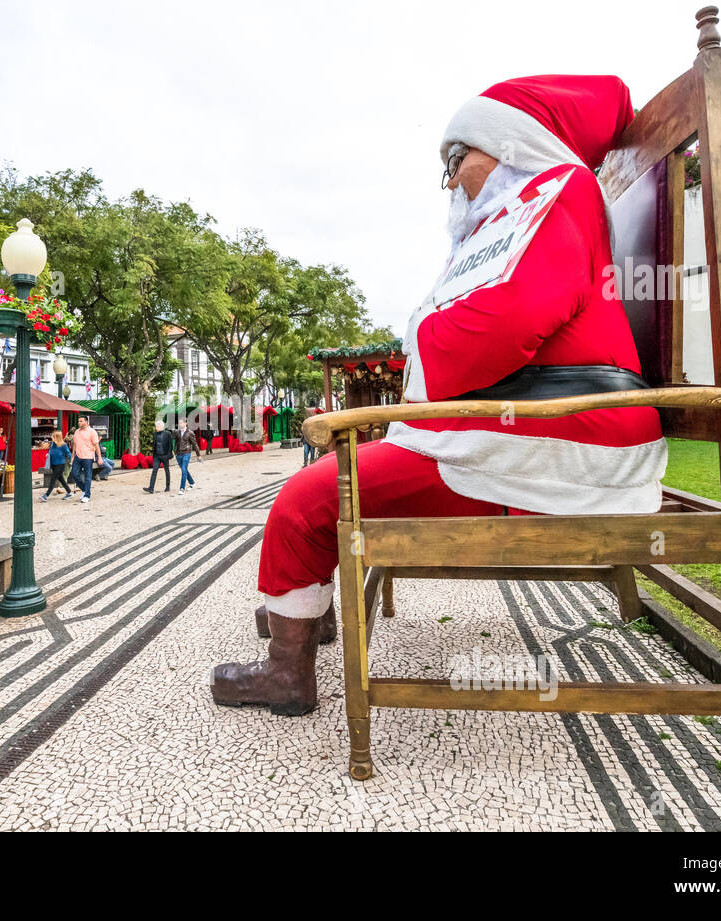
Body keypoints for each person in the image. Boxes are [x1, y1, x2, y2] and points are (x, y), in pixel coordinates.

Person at [212, 75, 666, 715]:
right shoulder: (528, 210)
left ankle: (285, 677)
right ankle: (307, 612)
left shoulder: (560, 191)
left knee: (302, 501)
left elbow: (504, 325)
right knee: (326, 490)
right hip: (540, 429)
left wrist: (424, 333)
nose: (451, 181)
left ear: (510, 143)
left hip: (557, 443)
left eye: (457, 159)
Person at [70, 415, 101, 504]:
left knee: (88, 477)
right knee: (74, 474)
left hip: (88, 457)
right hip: (78, 457)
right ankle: (84, 489)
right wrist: (72, 456)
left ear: (86, 422)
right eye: (78, 421)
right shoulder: (76, 432)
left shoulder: (92, 432)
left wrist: (99, 457)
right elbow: (75, 445)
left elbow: (96, 445)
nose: (79, 423)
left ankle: (87, 495)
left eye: (81, 421)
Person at [143, 420, 176, 493]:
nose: (156, 428)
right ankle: (151, 488)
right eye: (156, 426)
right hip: (157, 456)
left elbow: (170, 446)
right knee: (154, 470)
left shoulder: (168, 434)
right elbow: (154, 445)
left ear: (161, 426)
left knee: (167, 470)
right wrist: (154, 455)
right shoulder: (155, 434)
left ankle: (168, 486)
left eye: (157, 426)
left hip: (165, 455)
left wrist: (167, 456)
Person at [41, 430, 73, 501]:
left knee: (53, 479)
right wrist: (48, 455)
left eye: (52, 436)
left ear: (56, 437)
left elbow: (68, 454)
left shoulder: (63, 445)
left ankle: (46, 495)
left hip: (60, 465)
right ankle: (69, 492)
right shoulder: (52, 444)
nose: (51, 437)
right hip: (53, 465)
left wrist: (73, 461)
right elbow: (51, 452)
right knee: (61, 480)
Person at [174, 420, 201, 493]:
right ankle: (192, 483)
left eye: (182, 422)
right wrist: (175, 452)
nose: (180, 424)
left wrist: (198, 455)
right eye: (179, 423)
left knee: (183, 470)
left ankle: (182, 488)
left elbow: (195, 444)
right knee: (185, 469)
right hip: (178, 454)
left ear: (186, 423)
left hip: (187, 453)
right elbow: (176, 443)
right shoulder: (177, 432)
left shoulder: (190, 433)